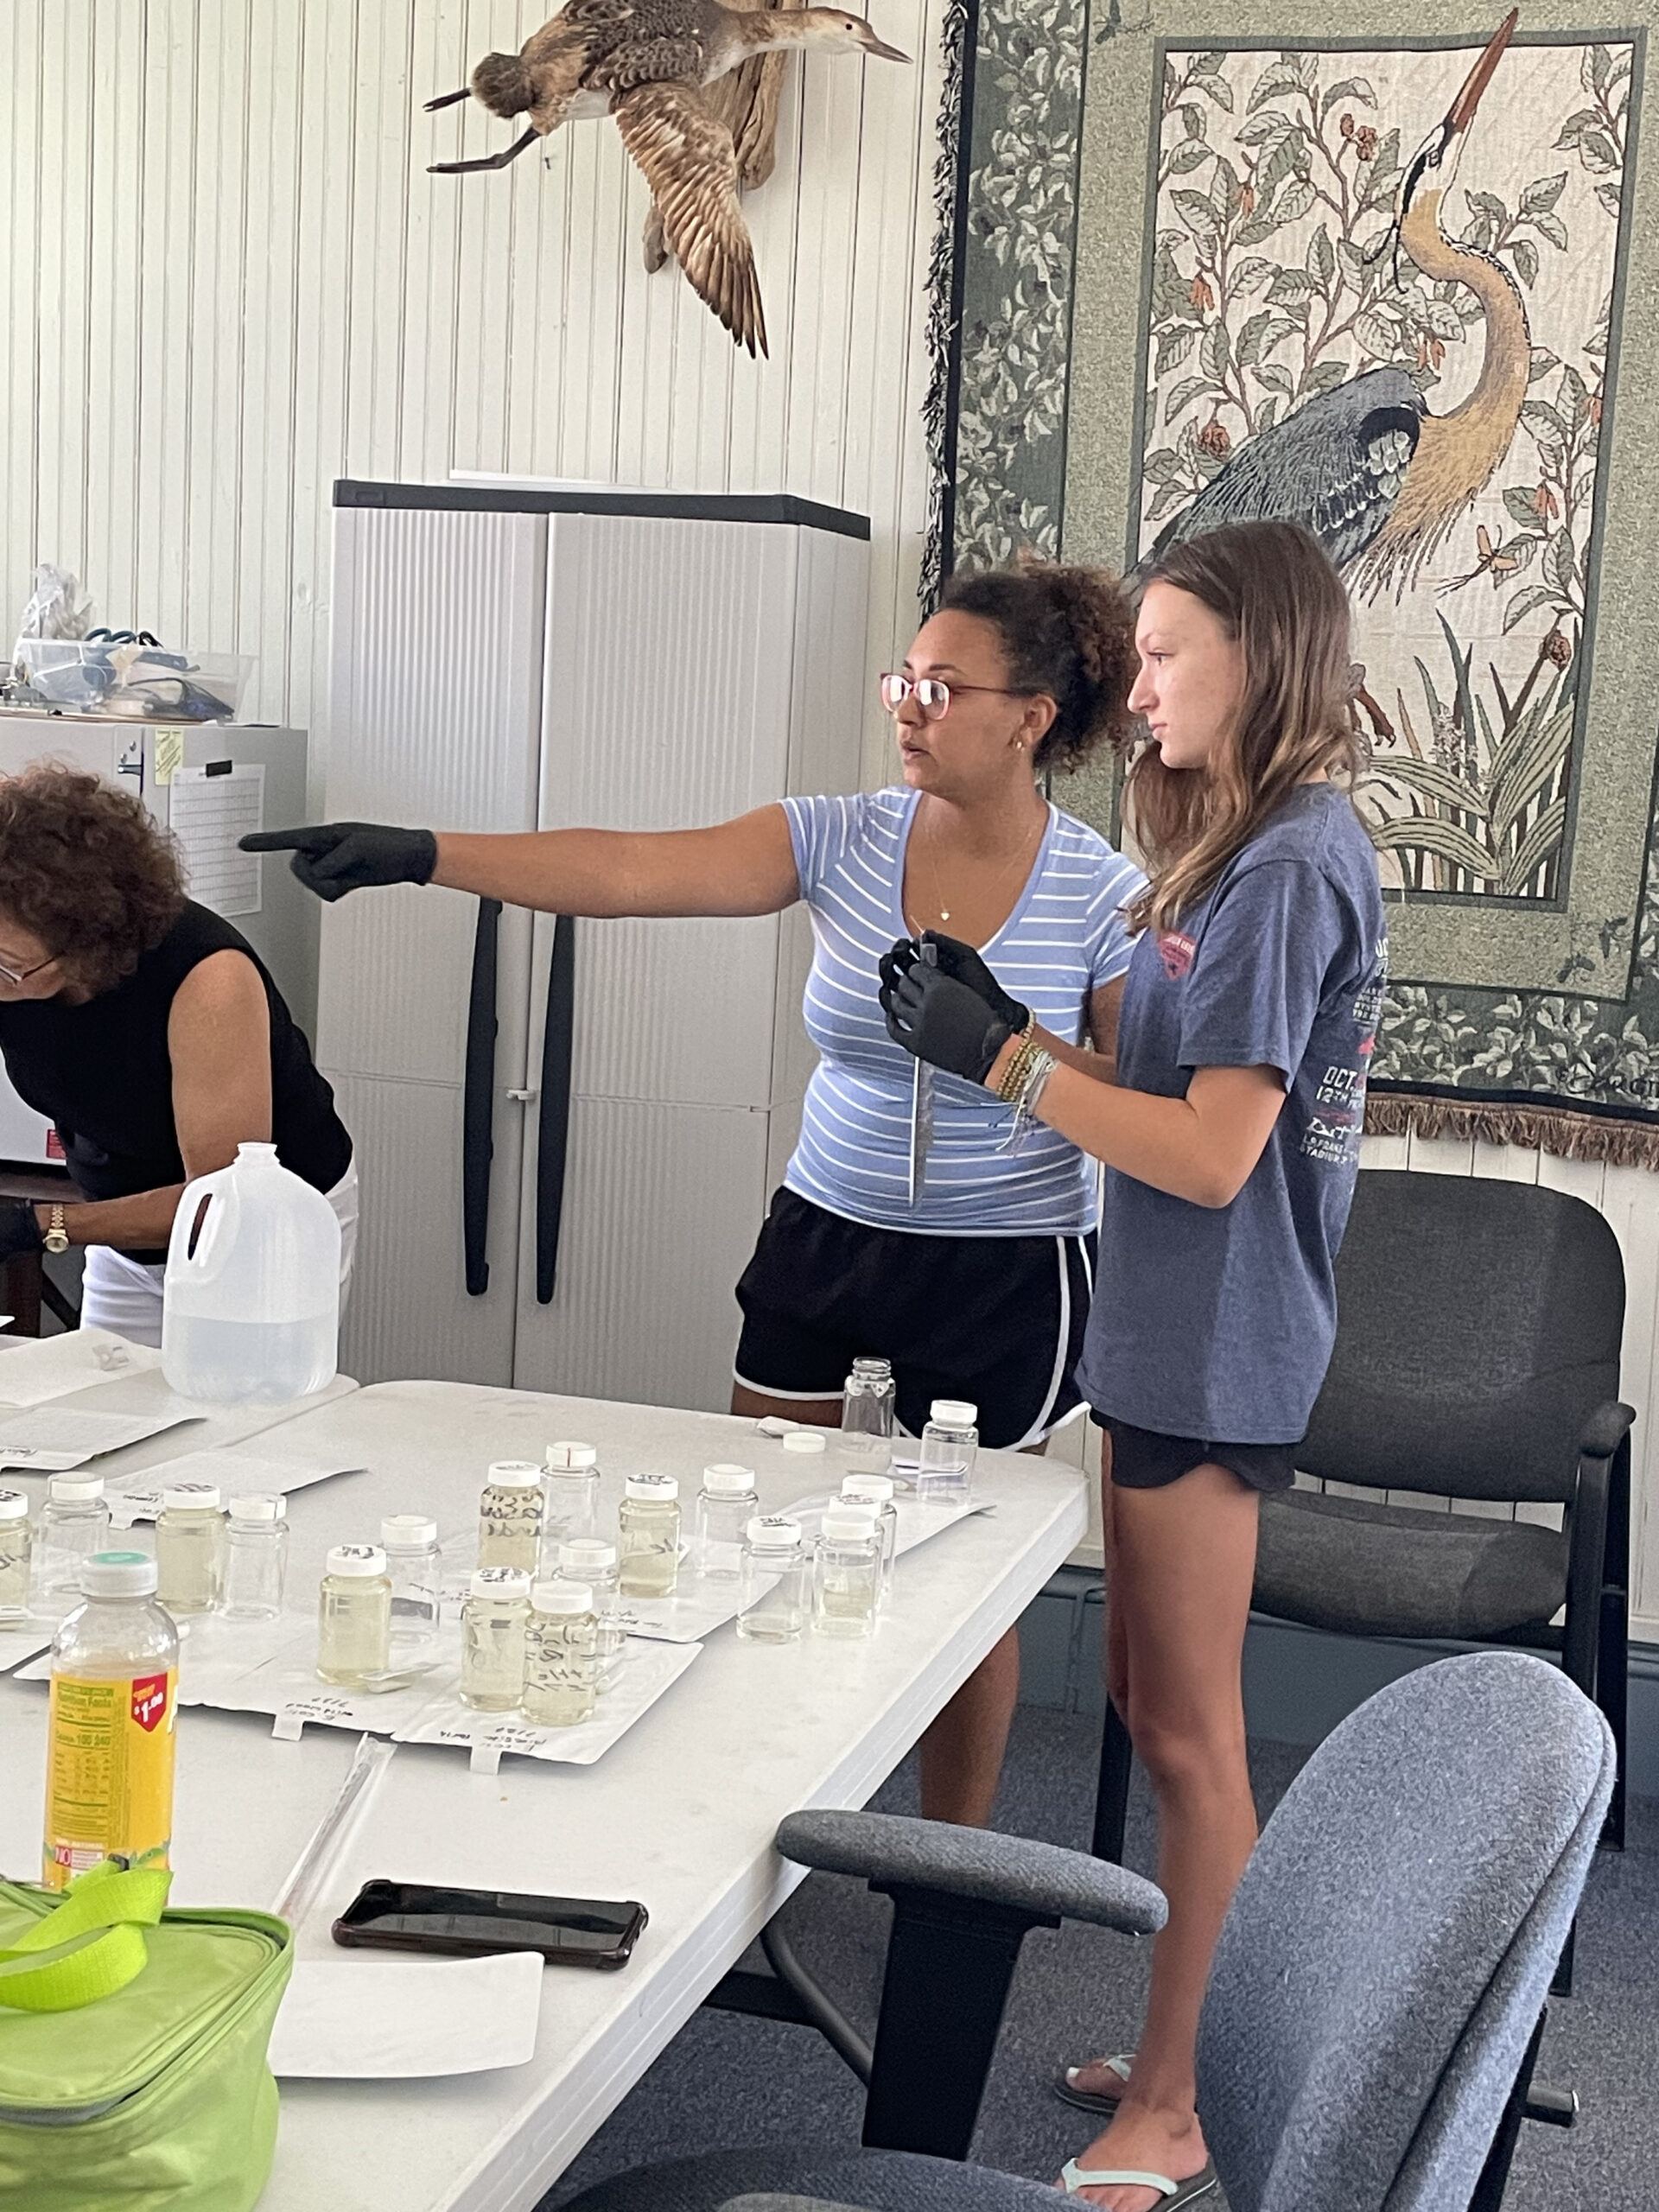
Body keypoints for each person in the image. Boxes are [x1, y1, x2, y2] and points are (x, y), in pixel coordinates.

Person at [245, 556, 1145, 1826]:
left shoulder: (1101, 893)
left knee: (959, 1577)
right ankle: (763, 1820)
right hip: (826, 1233)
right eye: (907, 679)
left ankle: (951, 1858)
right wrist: (426, 853)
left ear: (1032, 718)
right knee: (763, 1526)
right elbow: (627, 871)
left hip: (1002, 1263)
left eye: (945, 688)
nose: (909, 706)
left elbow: (1142, 1102)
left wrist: (1010, 1043)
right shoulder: (840, 837)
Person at [880, 520, 1386, 2212]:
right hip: (1164, 1330)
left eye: (1169, 654)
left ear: (1263, 658)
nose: (1141, 685)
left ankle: (1179, 2103)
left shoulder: (1298, 856)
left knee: (1188, 1738)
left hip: (1222, 1342)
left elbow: (1215, 1153)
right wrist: (999, 1014)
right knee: (1152, 1709)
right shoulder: (1223, 853)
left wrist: (1008, 1060)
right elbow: (1150, 1077)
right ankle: (1193, 2040)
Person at [0, 765, 357, 1349]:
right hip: (122, 1225)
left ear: (85, 940)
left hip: (263, 1232)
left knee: (237, 1422)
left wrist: (40, 1224)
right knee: (107, 1414)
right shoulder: (17, 963)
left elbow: (221, 1199)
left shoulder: (205, 977)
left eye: (6, 965)